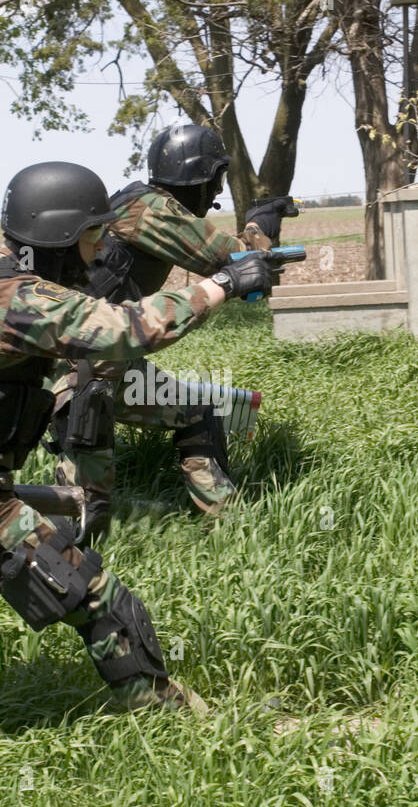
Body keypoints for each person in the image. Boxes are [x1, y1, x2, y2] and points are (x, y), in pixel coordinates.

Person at [0, 161, 276, 722]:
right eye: (93, 237)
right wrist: (223, 283)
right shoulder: (15, 298)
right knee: (106, 605)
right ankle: (186, 728)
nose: (99, 253)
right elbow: (124, 330)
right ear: (62, 236)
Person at [49, 124, 297, 543]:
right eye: (216, 180)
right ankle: (56, 561)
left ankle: (230, 534)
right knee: (84, 503)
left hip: (105, 360)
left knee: (197, 412)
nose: (216, 194)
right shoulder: (150, 210)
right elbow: (240, 262)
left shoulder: (141, 204)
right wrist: (259, 225)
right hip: (81, 369)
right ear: (202, 178)